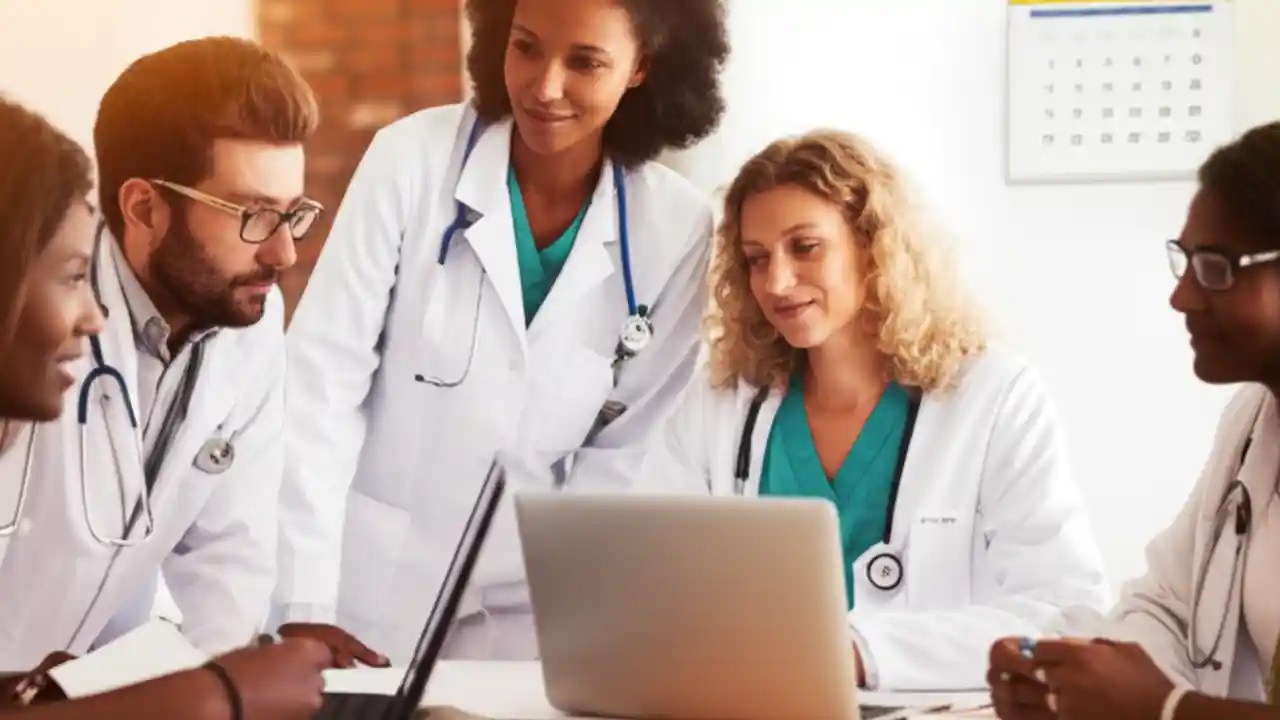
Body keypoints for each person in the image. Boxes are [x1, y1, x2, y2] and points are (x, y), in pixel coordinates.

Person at [274, 0, 730, 664]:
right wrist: (302, 603)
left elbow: (629, 453)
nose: (545, 86)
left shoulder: (674, 227)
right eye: (526, 47)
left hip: (533, 620)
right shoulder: (414, 160)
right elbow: (319, 387)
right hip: (367, 599)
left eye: (585, 62)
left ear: (642, 68)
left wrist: (582, 625)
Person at [639, 130, 1109, 691]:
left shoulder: (992, 395)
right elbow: (654, 587)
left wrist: (862, 652)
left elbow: (1063, 612)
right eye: (757, 259)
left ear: (872, 244)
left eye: (805, 246)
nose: (778, 282)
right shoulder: (720, 403)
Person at [0, 94, 330, 720]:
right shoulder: (45, 367)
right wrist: (215, 697)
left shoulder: (251, 326)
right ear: (145, 208)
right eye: (253, 214)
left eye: (294, 215)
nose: (285, 253)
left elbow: (230, 561)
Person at [988, 122, 1280, 720]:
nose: (1184, 298)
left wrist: (1166, 709)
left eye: (1217, 268)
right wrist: (1072, 675)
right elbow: (1170, 605)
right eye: (1187, 262)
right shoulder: (1253, 420)